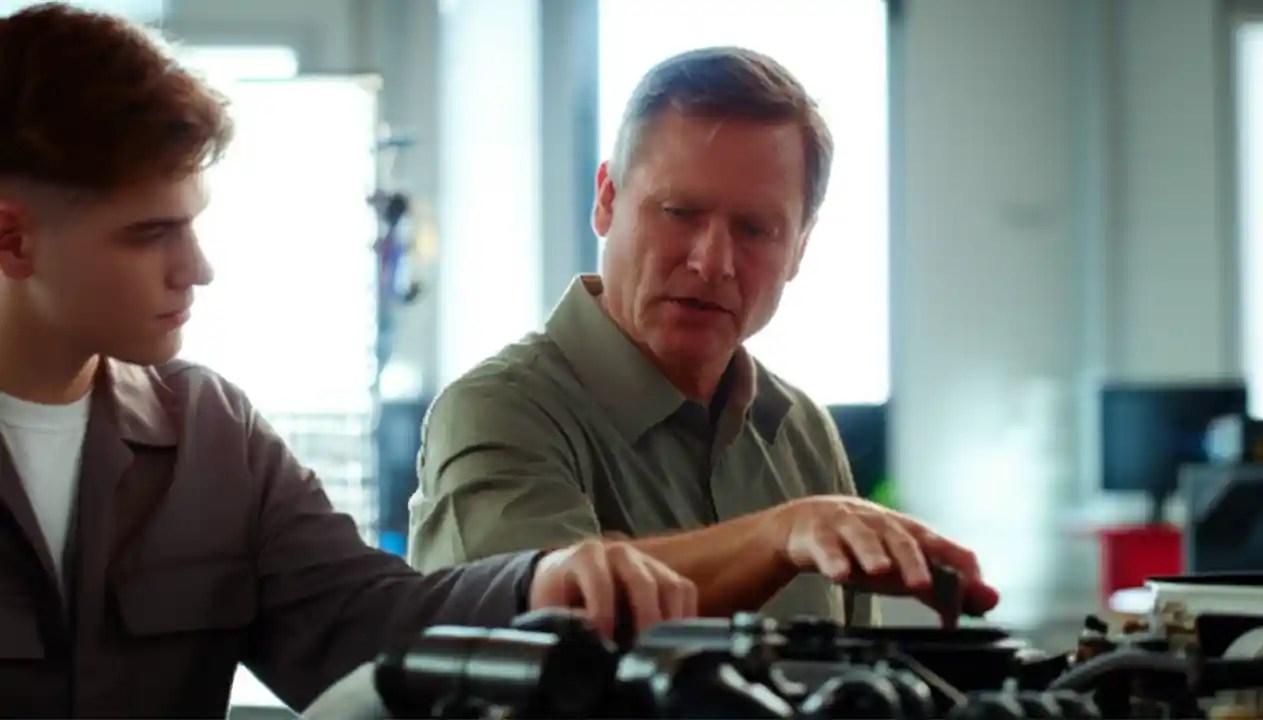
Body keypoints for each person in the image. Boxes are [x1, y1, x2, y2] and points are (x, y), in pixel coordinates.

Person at [0, 4, 696, 717]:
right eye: (150, 233)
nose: (197, 268)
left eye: (191, 223)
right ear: (12, 239)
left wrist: (538, 582)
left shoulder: (212, 434)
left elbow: (367, 624)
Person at [409, 46, 1000, 626]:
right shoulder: (496, 411)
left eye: (756, 229)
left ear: (799, 248)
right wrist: (780, 534)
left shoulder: (802, 433)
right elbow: (537, 629)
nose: (713, 261)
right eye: (678, 211)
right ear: (607, 200)